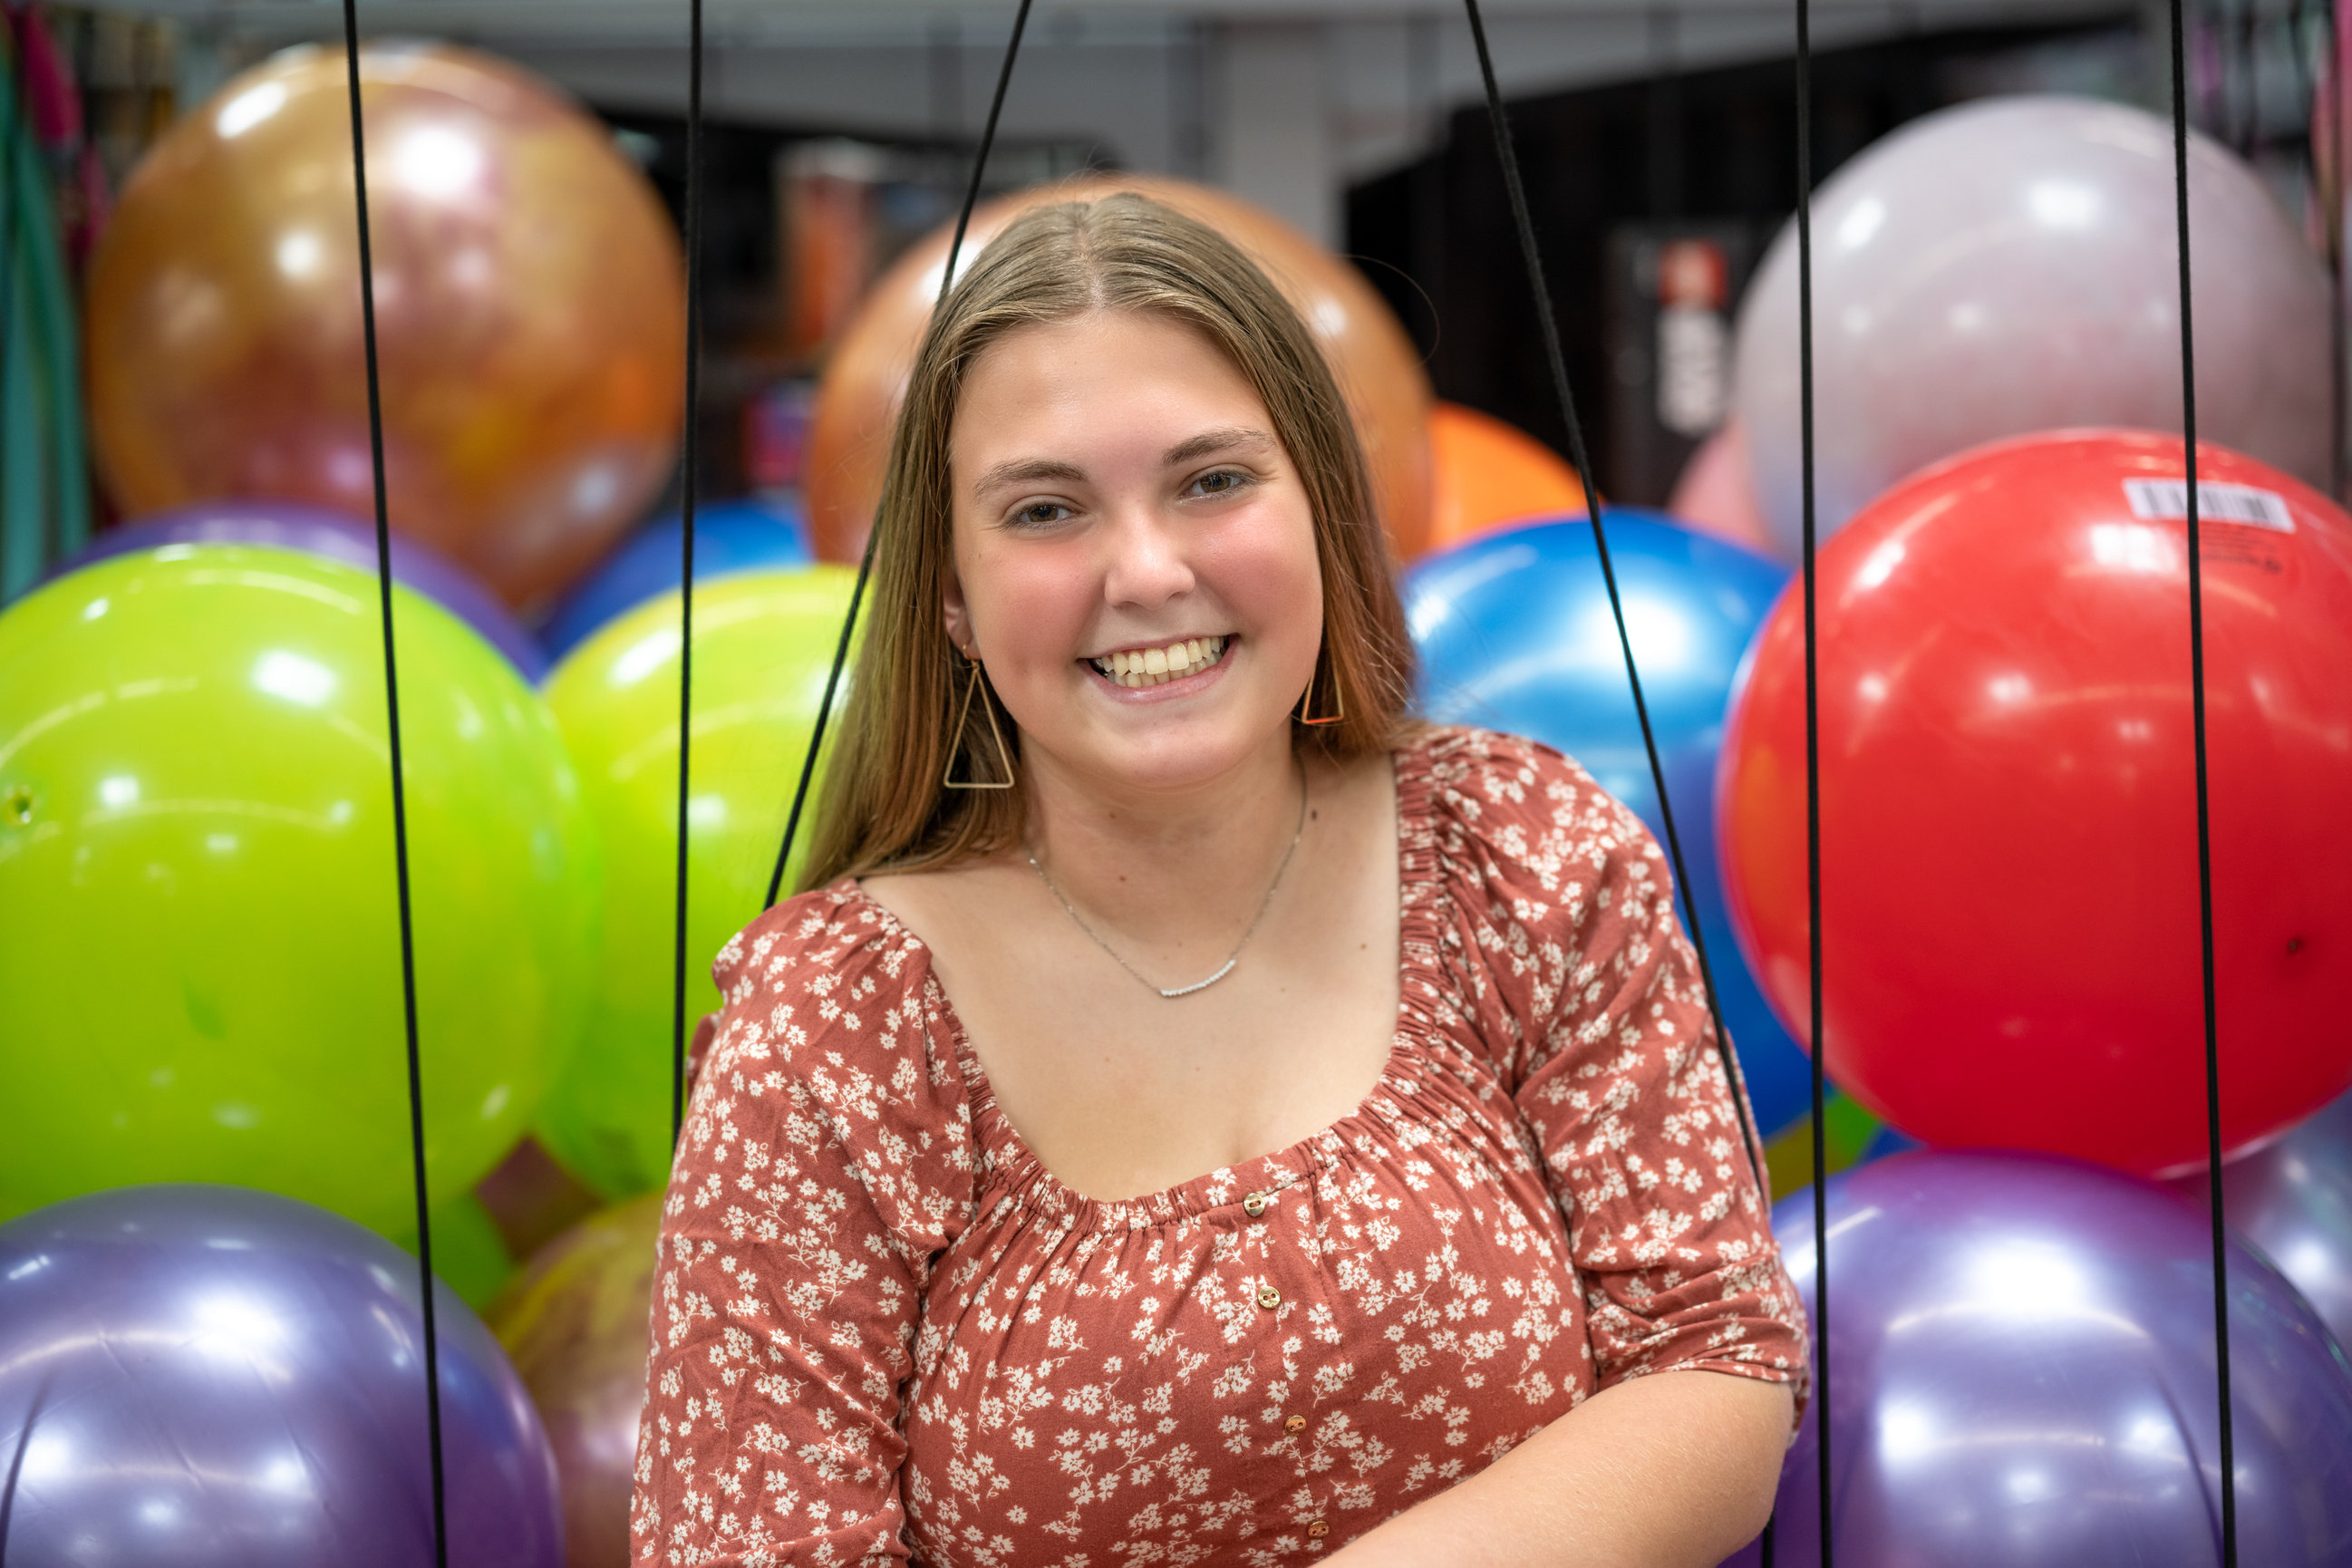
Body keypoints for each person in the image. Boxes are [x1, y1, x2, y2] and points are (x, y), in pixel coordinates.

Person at [630, 191, 1807, 1567]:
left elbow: (1713, 1355)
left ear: (1322, 511)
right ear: (950, 594)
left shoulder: (1523, 850)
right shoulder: (831, 1029)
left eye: (1210, 482)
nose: (1146, 571)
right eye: (1046, 509)